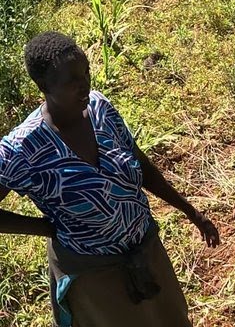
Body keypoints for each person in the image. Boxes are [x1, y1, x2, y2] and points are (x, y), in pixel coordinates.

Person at [0, 32, 220, 326]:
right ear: (44, 87)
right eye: (72, 81)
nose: (85, 85)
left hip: (146, 251)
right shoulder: (23, 149)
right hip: (95, 277)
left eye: (86, 72)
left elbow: (141, 164)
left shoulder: (99, 109)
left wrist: (192, 212)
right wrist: (48, 228)